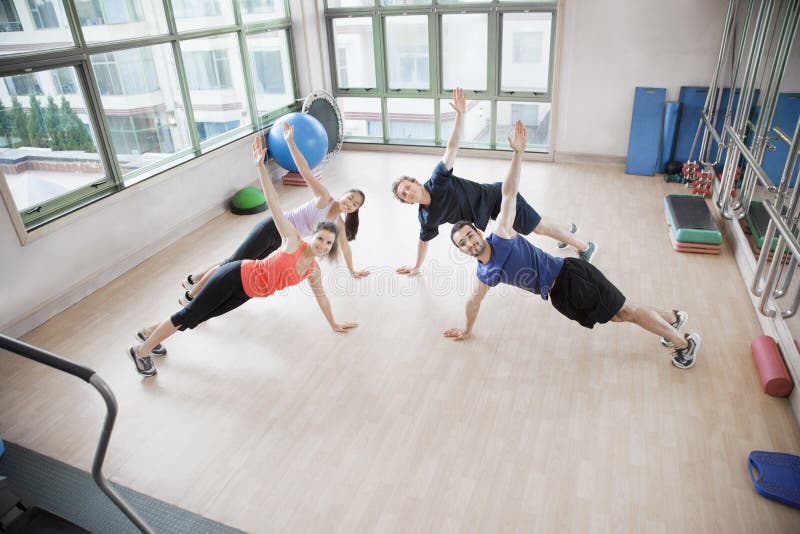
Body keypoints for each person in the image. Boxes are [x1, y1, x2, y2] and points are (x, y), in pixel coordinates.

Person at [445, 121, 701, 369]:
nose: (469, 243)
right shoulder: (485, 273)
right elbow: (473, 301)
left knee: (625, 312)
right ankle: (672, 319)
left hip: (571, 276)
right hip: (559, 295)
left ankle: (684, 343)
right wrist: (467, 329)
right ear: (461, 250)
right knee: (618, 312)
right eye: (463, 243)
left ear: (478, 232)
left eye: (470, 236)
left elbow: (509, 193)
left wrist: (518, 154)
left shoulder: (502, 234)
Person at [128, 136, 358, 377]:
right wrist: (260, 165)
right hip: (235, 276)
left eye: (328, 243)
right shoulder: (292, 241)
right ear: (312, 235)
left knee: (198, 315)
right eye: (320, 239)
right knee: (190, 314)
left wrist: (334, 323)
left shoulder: (313, 270)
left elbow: (322, 298)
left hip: (246, 293)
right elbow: (273, 202)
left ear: (331, 247)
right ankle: (141, 351)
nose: (322, 245)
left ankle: (149, 332)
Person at [393, 87, 596, 277]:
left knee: (538, 227)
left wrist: (460, 115)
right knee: (536, 220)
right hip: (491, 213)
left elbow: (452, 147)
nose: (408, 193)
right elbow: (423, 241)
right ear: (408, 203)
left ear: (416, 182)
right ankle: (567, 230)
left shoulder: (439, 179)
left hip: (498, 197)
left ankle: (585, 247)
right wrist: (416, 267)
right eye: (404, 195)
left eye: (408, 188)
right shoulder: (427, 217)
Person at [180, 122, 368, 305]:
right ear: (344, 194)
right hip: (271, 228)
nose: (349, 203)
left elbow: (345, 248)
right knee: (232, 264)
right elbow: (304, 170)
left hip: (282, 242)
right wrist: (290, 142)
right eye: (350, 197)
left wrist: (352, 271)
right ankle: (192, 295)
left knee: (239, 264)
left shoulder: (338, 224)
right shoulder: (324, 198)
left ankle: (193, 279)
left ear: (355, 210)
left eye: (355, 204)